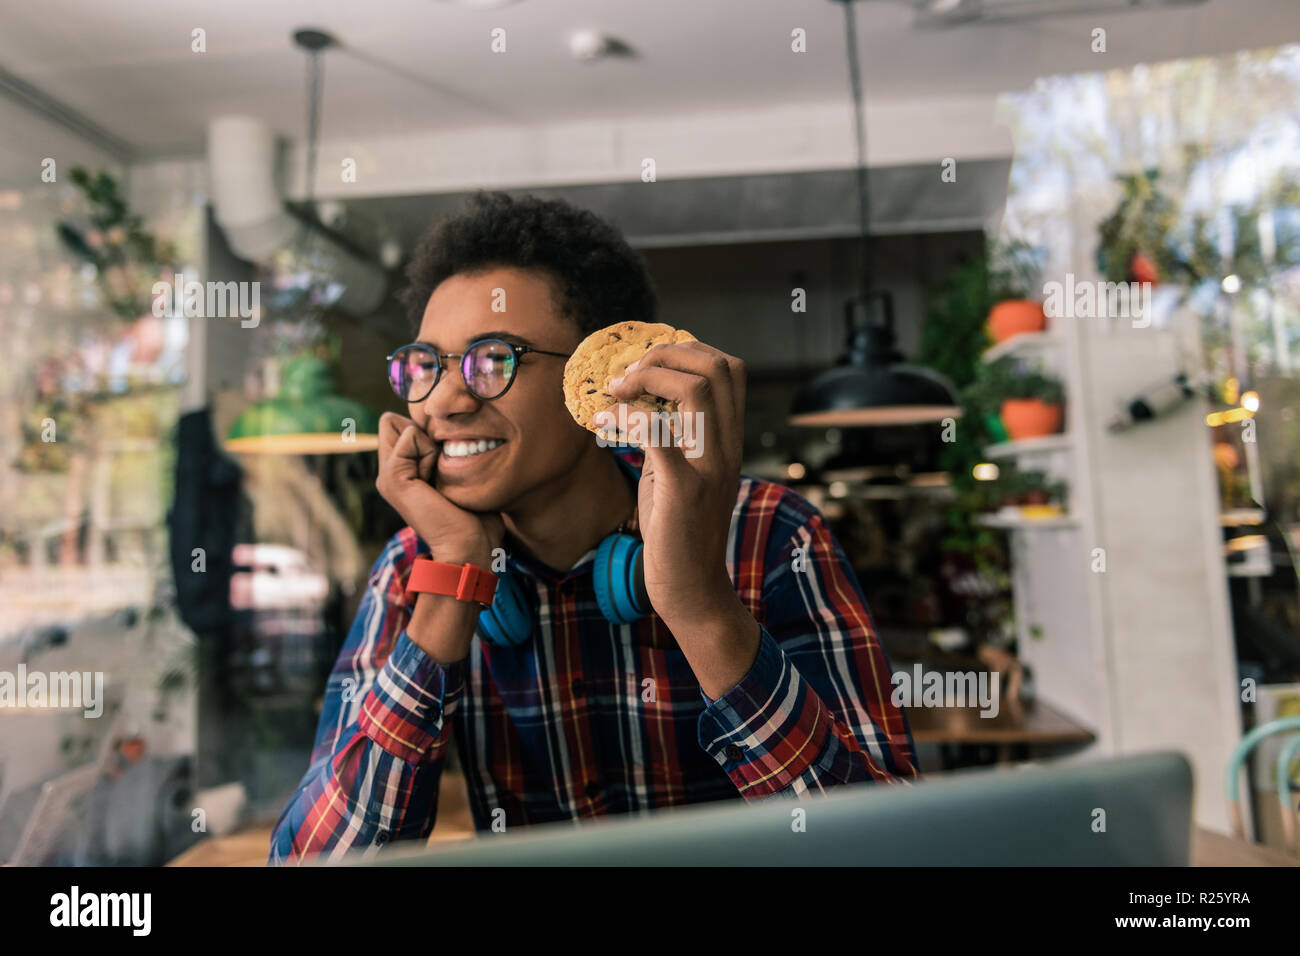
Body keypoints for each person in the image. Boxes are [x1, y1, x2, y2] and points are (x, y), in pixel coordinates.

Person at [268, 191, 918, 864]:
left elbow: (889, 853)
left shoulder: (769, 533)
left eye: (493, 358)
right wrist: (454, 577)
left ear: (604, 378)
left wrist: (698, 602)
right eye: (424, 365)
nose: (445, 401)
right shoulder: (415, 566)